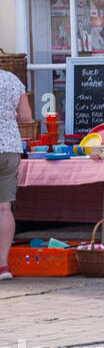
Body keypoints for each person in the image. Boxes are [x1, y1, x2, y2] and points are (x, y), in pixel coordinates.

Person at [0, 66, 33, 280]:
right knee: (4, 207)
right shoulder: (11, 79)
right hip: (10, 148)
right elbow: (26, 117)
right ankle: (3, 265)